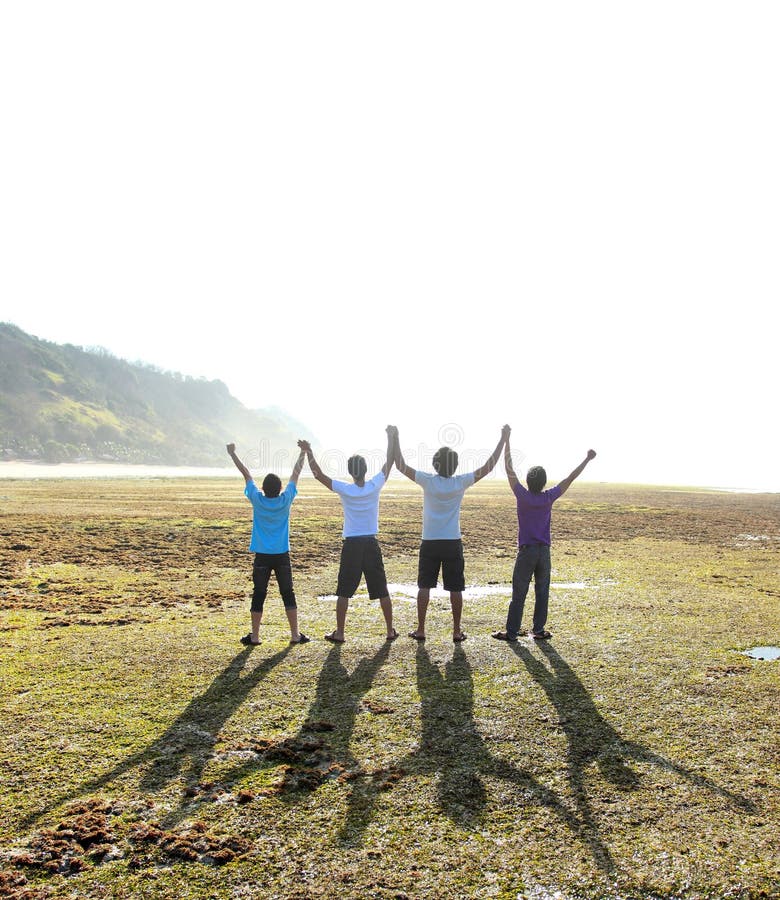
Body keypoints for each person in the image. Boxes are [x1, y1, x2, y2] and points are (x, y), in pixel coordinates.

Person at [394, 424, 511, 642]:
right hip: (452, 542)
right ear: (455, 466)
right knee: (455, 588)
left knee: (424, 586)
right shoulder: (460, 482)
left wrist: (394, 438)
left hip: (429, 541)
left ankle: (421, 629)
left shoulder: (428, 481)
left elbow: (400, 464)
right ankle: (456, 631)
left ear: (435, 465)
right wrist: (503, 439)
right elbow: (488, 466)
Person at [299, 427, 398, 643]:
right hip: (371, 544)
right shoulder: (374, 485)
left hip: (352, 545)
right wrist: (391, 438)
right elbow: (389, 463)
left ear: (351, 472)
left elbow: (319, 476)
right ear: (364, 470)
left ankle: (341, 633)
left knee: (344, 590)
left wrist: (309, 452)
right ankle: (390, 630)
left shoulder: (347, 489)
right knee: (381, 588)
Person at [492, 441, 597, 642]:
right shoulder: (548, 497)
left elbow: (509, 469)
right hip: (544, 552)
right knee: (542, 592)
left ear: (528, 481)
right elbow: (570, 478)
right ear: (543, 482)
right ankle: (538, 630)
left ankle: (512, 632)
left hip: (527, 552)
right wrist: (587, 459)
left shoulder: (522, 495)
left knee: (519, 594)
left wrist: (506, 440)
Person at [227, 442, 310, 646]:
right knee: (287, 593)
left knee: (259, 594)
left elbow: (246, 474)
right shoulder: (285, 500)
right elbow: (296, 474)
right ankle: (294, 635)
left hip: (262, 555)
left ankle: (255, 636)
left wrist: (233, 454)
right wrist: (303, 453)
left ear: (263, 489)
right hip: (282, 554)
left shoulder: (257, 499)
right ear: (280, 489)